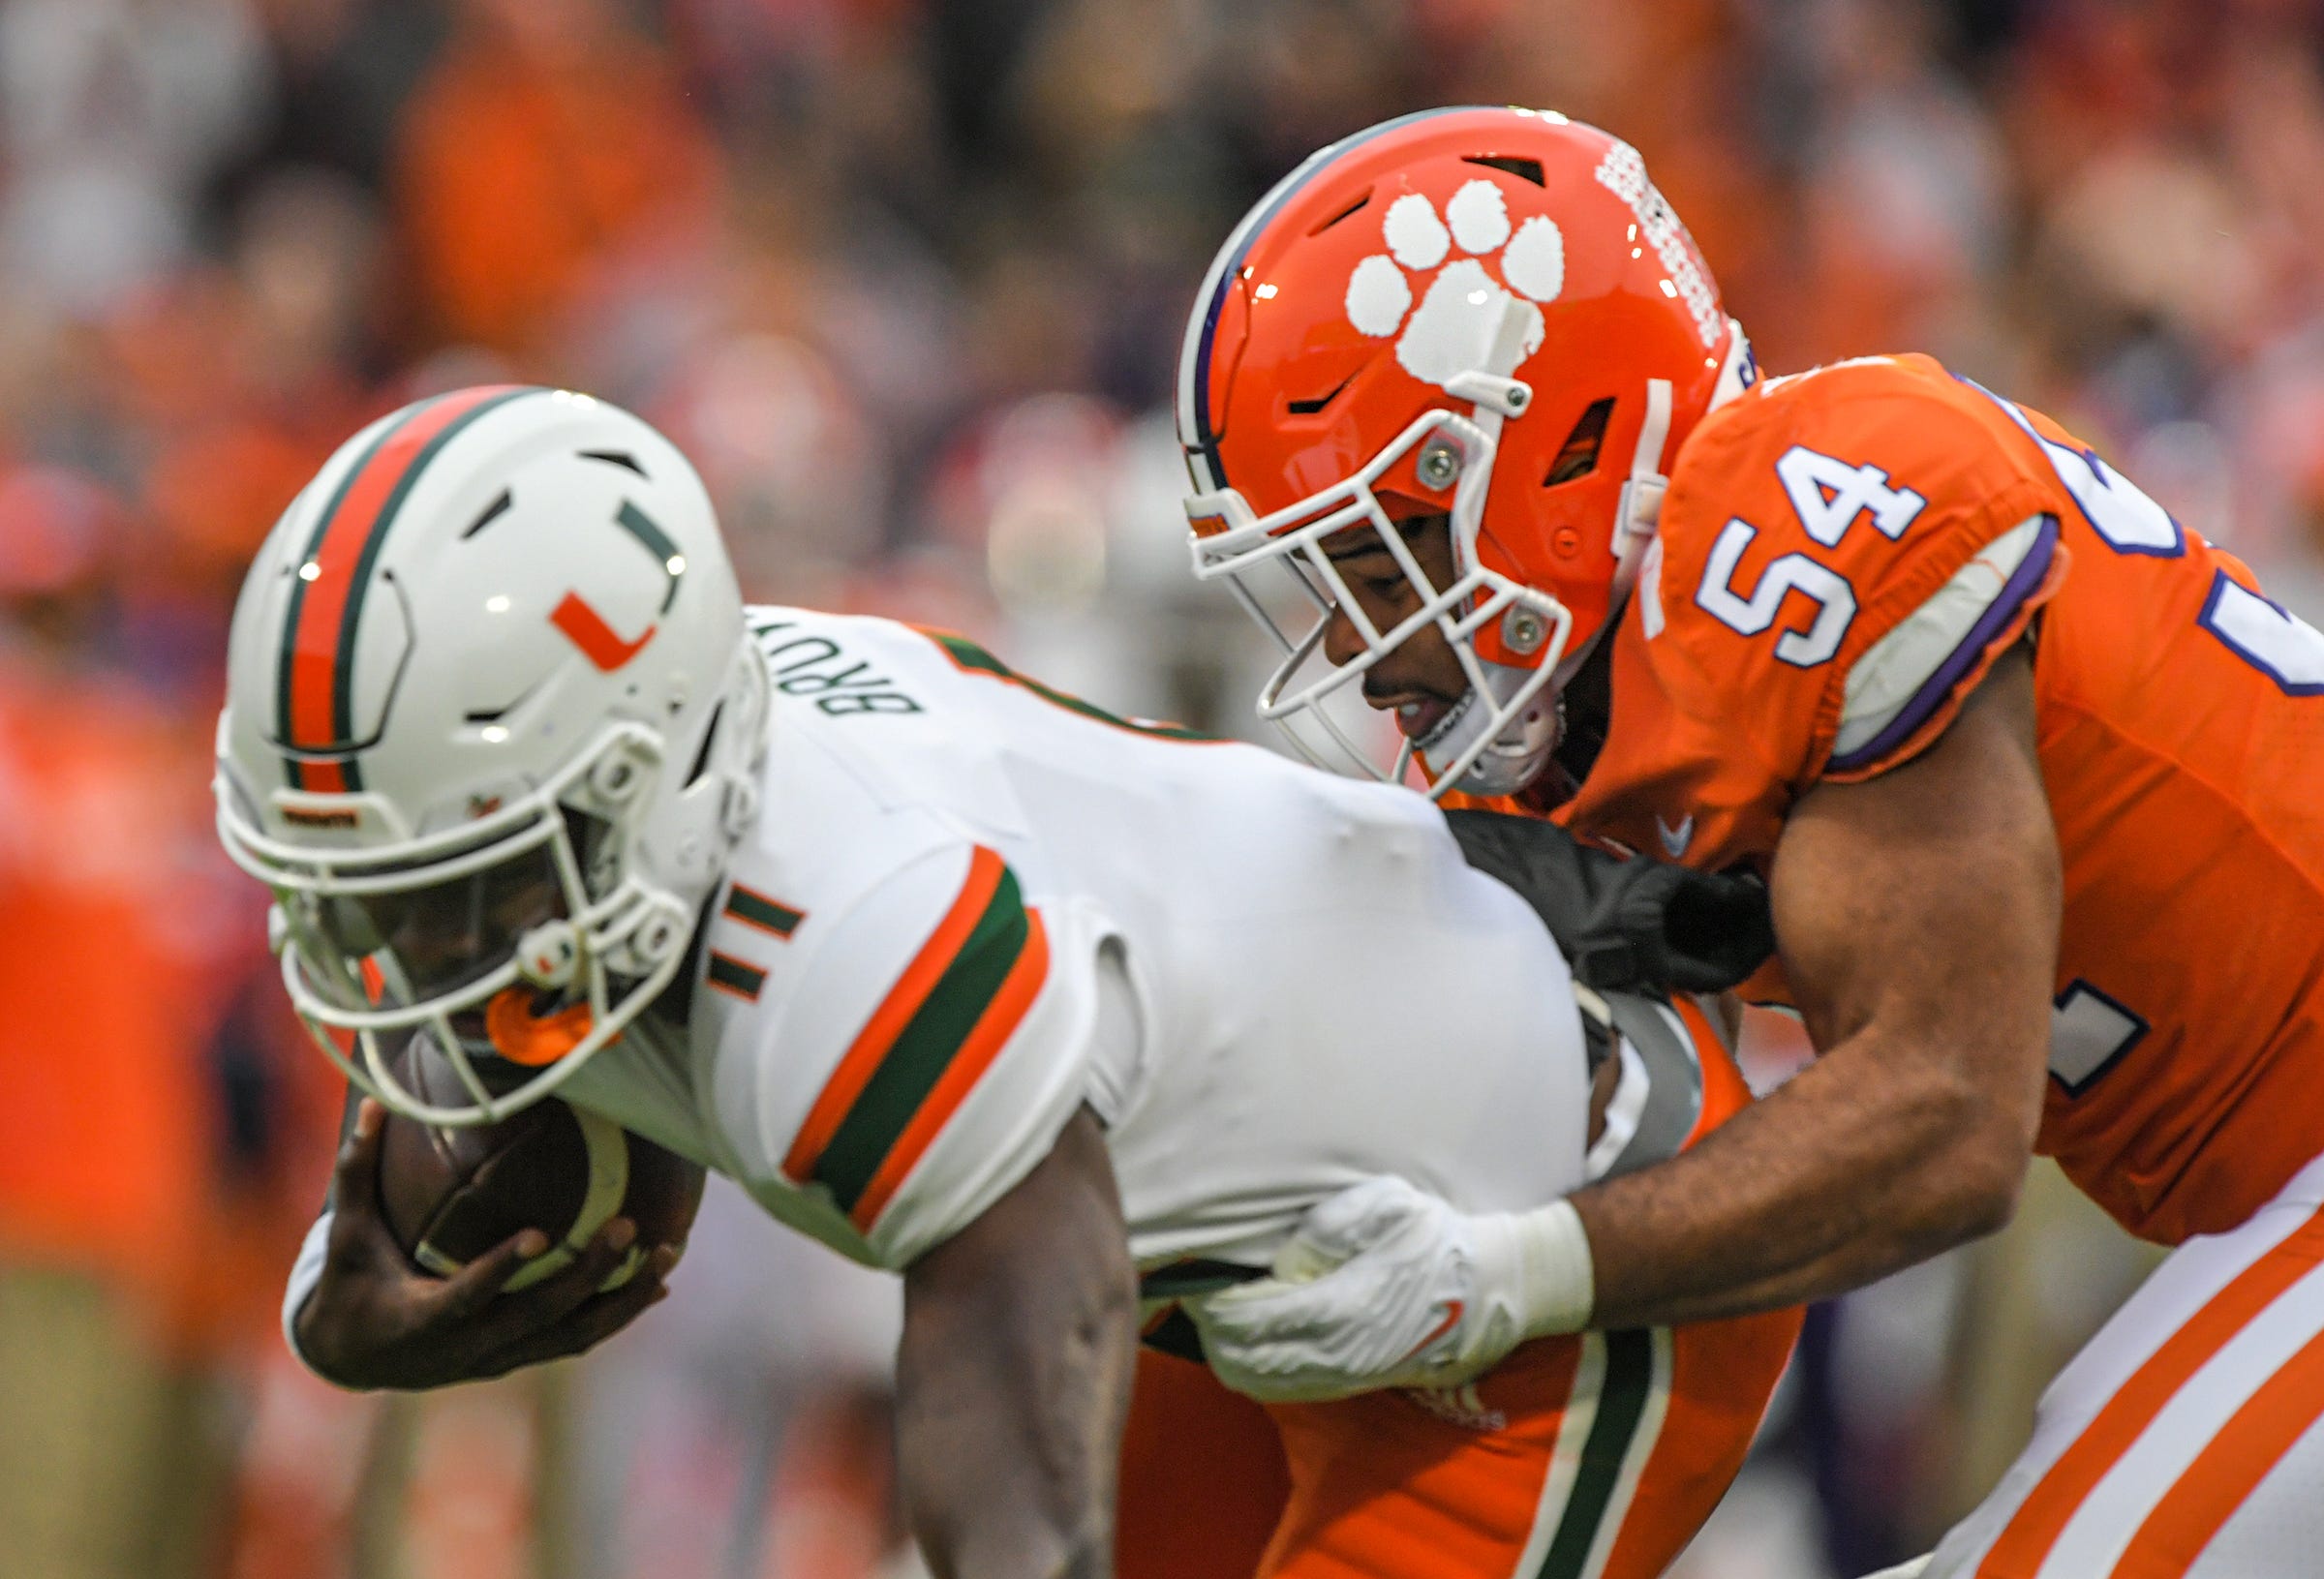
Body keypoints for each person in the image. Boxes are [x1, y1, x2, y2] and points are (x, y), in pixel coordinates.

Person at [219, 385, 1796, 1579]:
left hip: (1553, 1252)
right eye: (376, 891)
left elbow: (1023, 1323)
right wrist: (357, 1300)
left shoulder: (847, 927)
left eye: (463, 887)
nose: (410, 959)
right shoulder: (680, 767)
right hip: (1240, 1283)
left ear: (644, 776)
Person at [1165, 106, 2324, 1575]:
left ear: (1545, 453)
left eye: (1368, 557)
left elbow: (1944, 1123)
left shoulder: (1808, 517)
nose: (1353, 638)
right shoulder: (1602, 692)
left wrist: (1503, 1276)